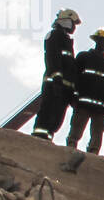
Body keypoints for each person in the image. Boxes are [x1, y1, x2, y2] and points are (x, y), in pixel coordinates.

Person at [66, 27, 104, 152]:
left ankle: (93, 153)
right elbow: (74, 76)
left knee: (97, 134)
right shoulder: (83, 57)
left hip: (100, 108)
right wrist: (73, 96)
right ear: (97, 41)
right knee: (75, 131)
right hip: (82, 103)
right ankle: (70, 149)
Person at [32, 9, 79, 140]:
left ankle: (47, 137)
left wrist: (72, 89)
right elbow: (52, 58)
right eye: (73, 23)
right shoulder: (54, 35)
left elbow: (69, 66)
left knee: (57, 116)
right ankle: (38, 136)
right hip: (54, 84)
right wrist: (57, 77)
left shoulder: (67, 40)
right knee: (48, 111)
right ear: (66, 21)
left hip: (64, 87)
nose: (74, 27)